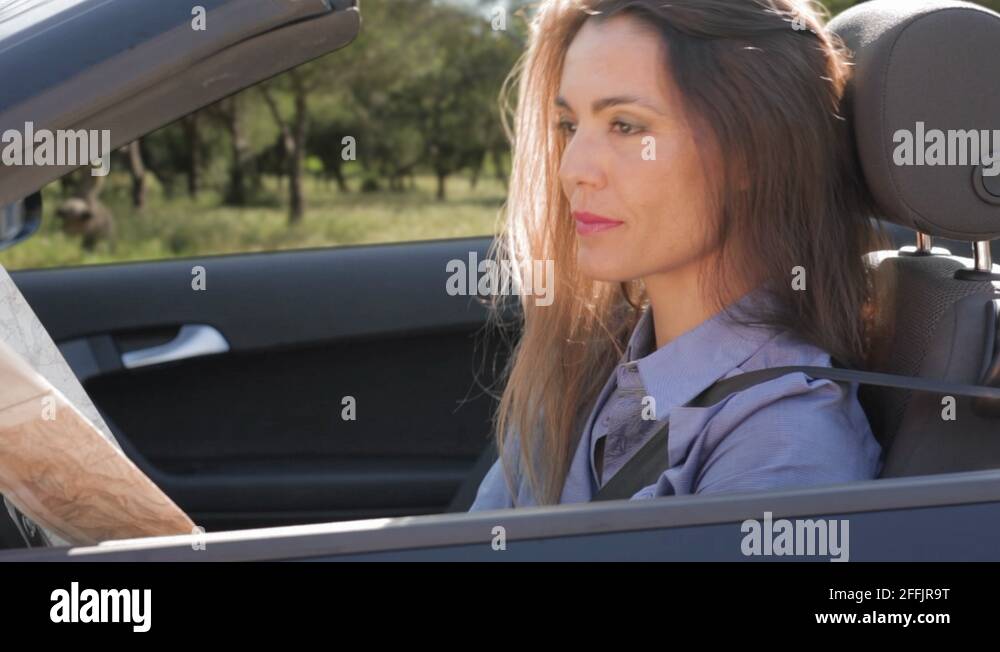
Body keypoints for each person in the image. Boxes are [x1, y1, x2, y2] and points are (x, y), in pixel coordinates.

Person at [469, 0, 885, 510]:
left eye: (626, 125)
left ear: (752, 152)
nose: (573, 168)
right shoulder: (587, 367)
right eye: (569, 125)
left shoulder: (781, 443)